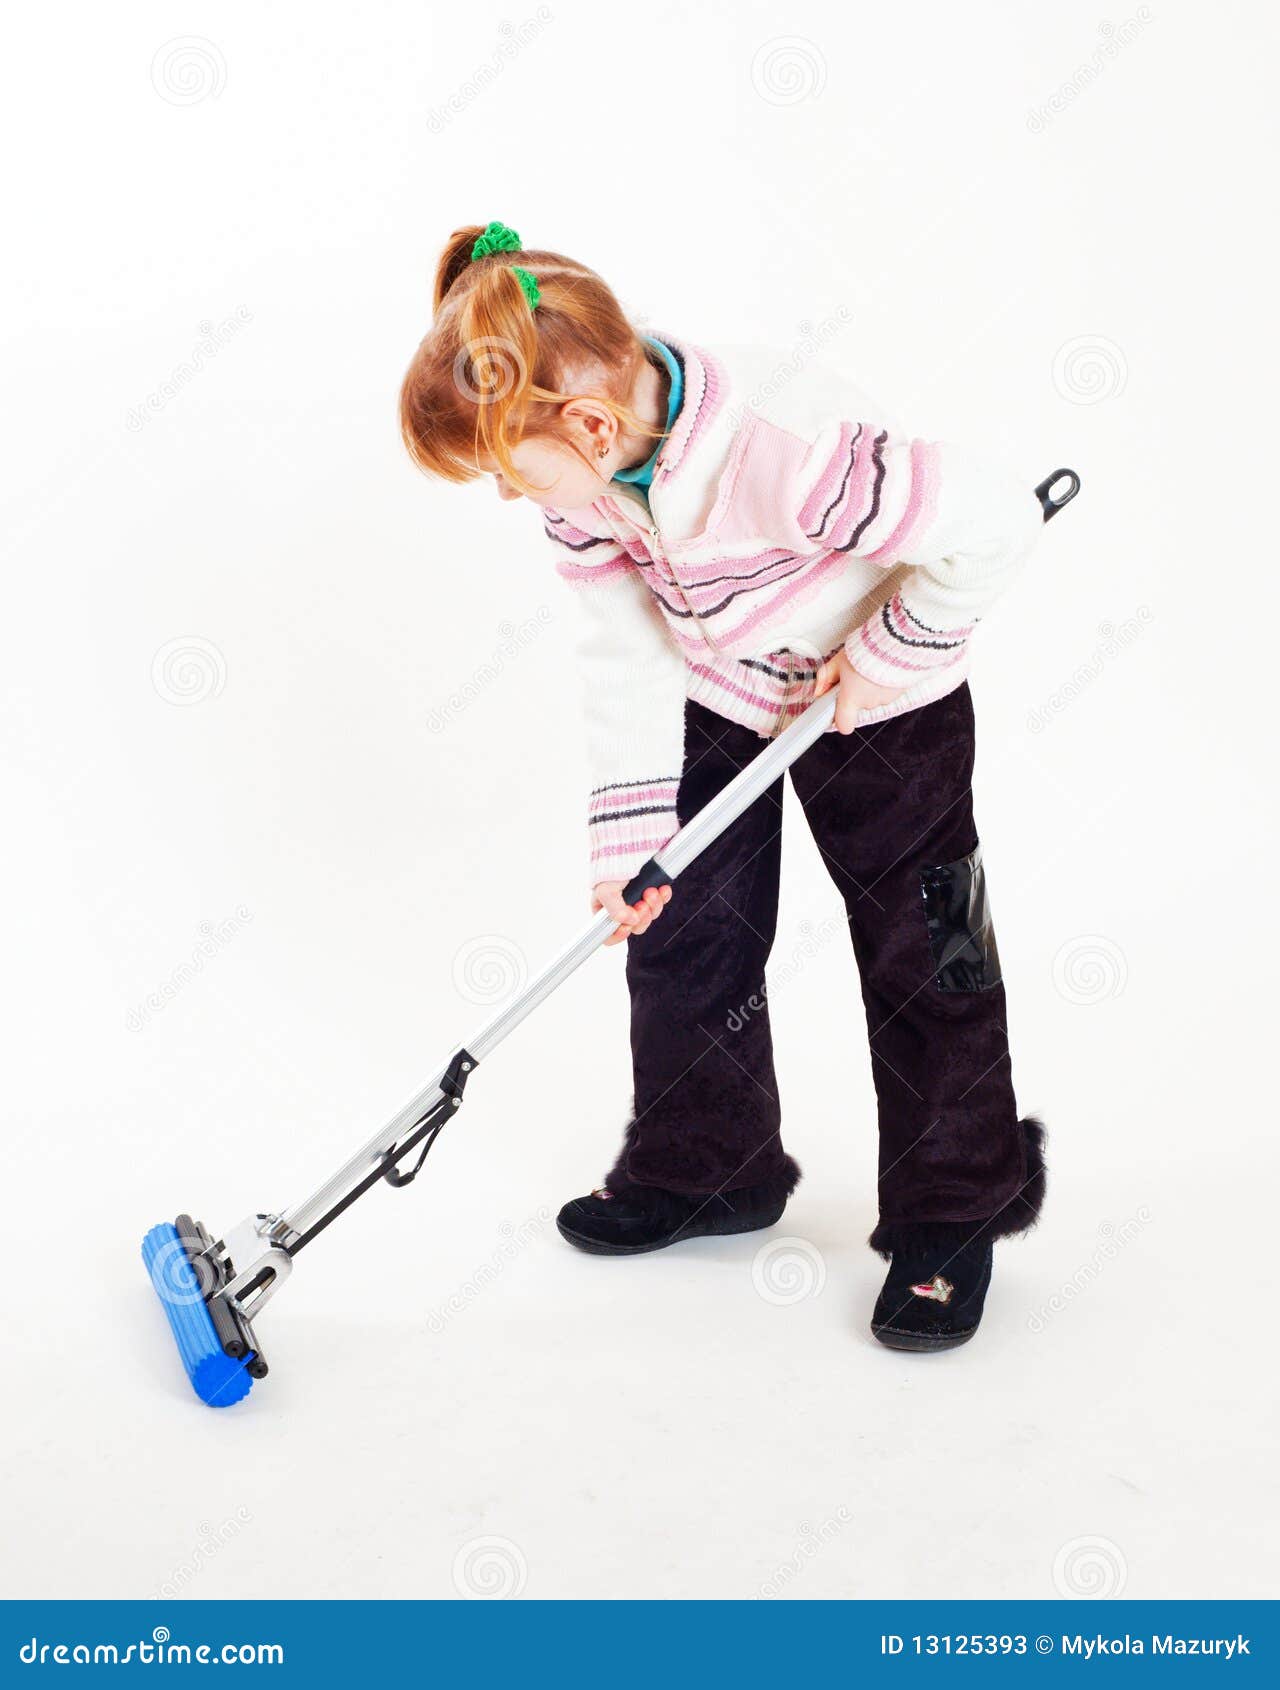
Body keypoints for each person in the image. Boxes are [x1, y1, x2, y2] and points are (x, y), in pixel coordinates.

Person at [400, 221, 1046, 1350]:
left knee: (929, 938)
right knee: (681, 924)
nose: (514, 498)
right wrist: (629, 842)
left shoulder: (788, 456)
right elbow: (622, 645)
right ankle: (708, 1166)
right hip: (729, 686)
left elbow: (994, 521)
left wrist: (892, 650)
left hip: (882, 693)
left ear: (590, 426)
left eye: (510, 474)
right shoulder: (586, 481)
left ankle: (956, 1201)